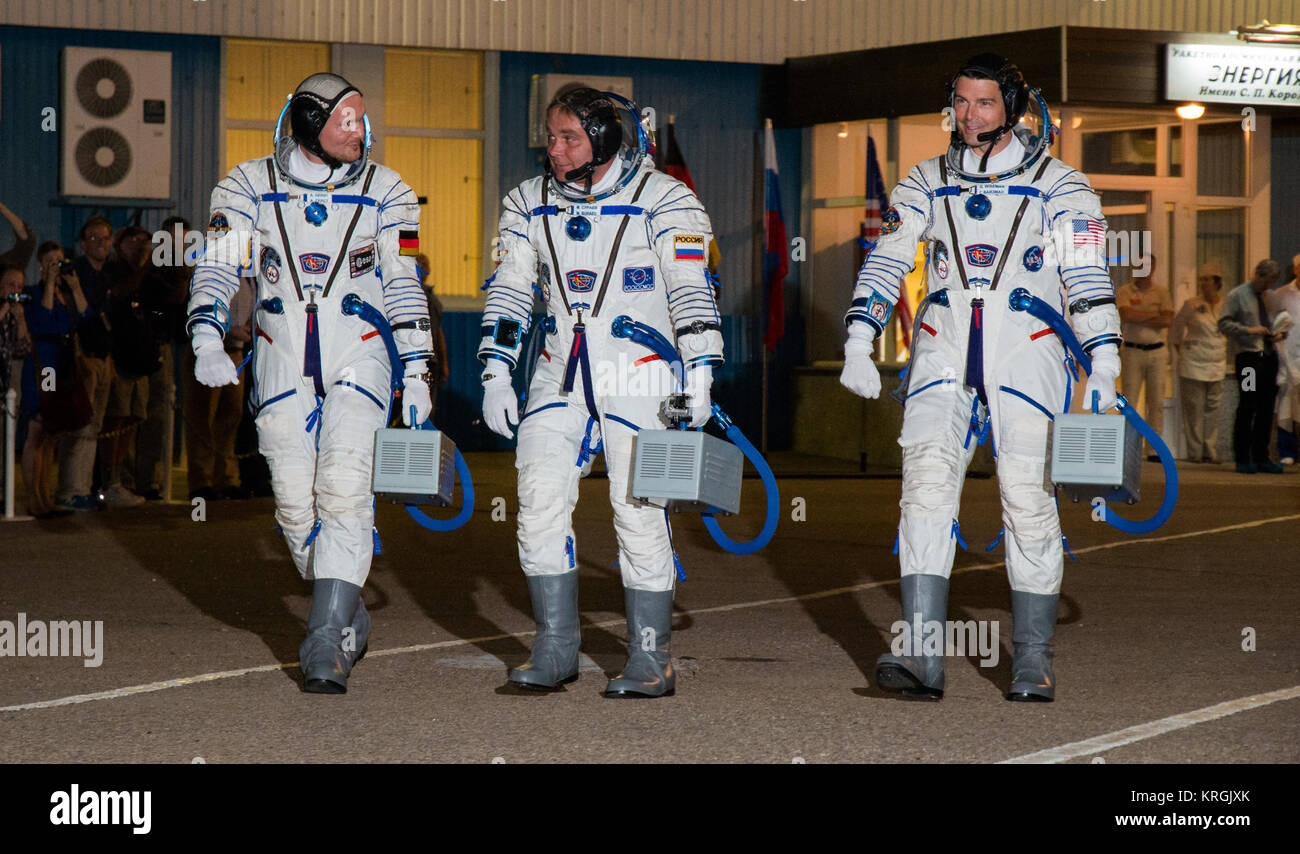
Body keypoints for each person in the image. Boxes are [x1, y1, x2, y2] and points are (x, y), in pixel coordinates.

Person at [839, 54, 1123, 702]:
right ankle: (921, 656)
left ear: (1014, 108)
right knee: (925, 488)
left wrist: (1104, 358)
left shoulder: (1063, 185)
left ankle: (1031, 660)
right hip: (942, 352)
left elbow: (1085, 277)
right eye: (961, 102)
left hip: (1029, 353)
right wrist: (859, 336)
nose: (969, 116)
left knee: (1026, 496)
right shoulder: (925, 180)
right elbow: (887, 260)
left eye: (984, 103)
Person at [187, 72, 432, 693]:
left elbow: (404, 283)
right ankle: (345, 606)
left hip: (363, 353)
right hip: (280, 356)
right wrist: (206, 335)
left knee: (345, 487)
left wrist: (420, 365)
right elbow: (219, 264)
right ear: (306, 124)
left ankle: (325, 640)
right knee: (297, 507)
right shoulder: (246, 186)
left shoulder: (389, 191)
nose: (360, 129)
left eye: (361, 117)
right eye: (345, 118)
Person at [480, 85, 722, 698]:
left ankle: (651, 657)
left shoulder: (665, 200)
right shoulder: (527, 203)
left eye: (569, 138)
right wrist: (494, 371)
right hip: (560, 373)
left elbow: (692, 290)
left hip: (640, 374)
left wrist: (700, 373)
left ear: (605, 139)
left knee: (638, 512)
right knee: (536, 499)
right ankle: (556, 647)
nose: (554, 149)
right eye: (551, 136)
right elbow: (509, 290)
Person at [21, 243, 90, 518]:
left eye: (59, 262)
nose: (55, 267)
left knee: (52, 434)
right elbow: (42, 321)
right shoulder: (34, 293)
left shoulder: (67, 294)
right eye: (49, 262)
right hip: (44, 365)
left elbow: (87, 318)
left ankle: (46, 495)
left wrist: (74, 287)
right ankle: (33, 498)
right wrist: (49, 284)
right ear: (39, 265)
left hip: (64, 365)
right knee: (37, 429)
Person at [55, 215, 117, 512]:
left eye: (105, 238)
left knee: (94, 427)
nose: (101, 243)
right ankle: (69, 489)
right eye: (94, 238)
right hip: (83, 357)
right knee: (78, 425)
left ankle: (83, 487)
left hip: (104, 357)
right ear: (83, 243)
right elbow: (82, 317)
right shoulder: (76, 273)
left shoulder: (107, 275)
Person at [99, 225, 157, 508]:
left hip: (141, 359)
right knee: (115, 420)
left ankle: (123, 480)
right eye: (133, 240)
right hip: (119, 359)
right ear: (119, 245)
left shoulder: (150, 274)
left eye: (145, 240)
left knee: (133, 420)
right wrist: (146, 266)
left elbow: (167, 301)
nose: (141, 245)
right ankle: (109, 481)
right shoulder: (113, 270)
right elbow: (121, 293)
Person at [1219, 259, 1284, 474]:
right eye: (1264, 281)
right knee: (1248, 405)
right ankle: (1243, 457)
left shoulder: (1272, 297)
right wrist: (1249, 330)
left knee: (1266, 408)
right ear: (1256, 275)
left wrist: (1281, 333)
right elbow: (1223, 324)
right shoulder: (1237, 295)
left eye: (1270, 283)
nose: (1266, 287)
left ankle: (1261, 456)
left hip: (1268, 357)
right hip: (1248, 358)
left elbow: (1282, 319)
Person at [1116, 254, 1173, 460]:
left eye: (1146, 265)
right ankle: (1128, 446)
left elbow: (1167, 319)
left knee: (1155, 401)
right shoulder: (1125, 291)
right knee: (1129, 399)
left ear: (1153, 268)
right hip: (1132, 351)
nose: (1143, 268)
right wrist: (1153, 316)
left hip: (1156, 351)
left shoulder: (1162, 292)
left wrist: (1140, 315)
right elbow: (1126, 315)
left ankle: (1153, 448)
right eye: (1139, 265)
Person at [1170, 262, 1227, 462]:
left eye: (1207, 280)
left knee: (1213, 409)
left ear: (1217, 282)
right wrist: (1184, 352)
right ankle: (1194, 452)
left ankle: (1209, 450)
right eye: (1201, 280)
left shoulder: (1225, 305)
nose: (1203, 283)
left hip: (1217, 364)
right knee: (1194, 410)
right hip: (1193, 363)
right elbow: (1176, 330)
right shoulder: (1191, 305)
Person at [1272, 254, 1300, 464]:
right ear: (1295, 269)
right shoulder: (1281, 295)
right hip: (1287, 358)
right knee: (1286, 406)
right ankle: (1287, 451)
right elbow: (1274, 326)